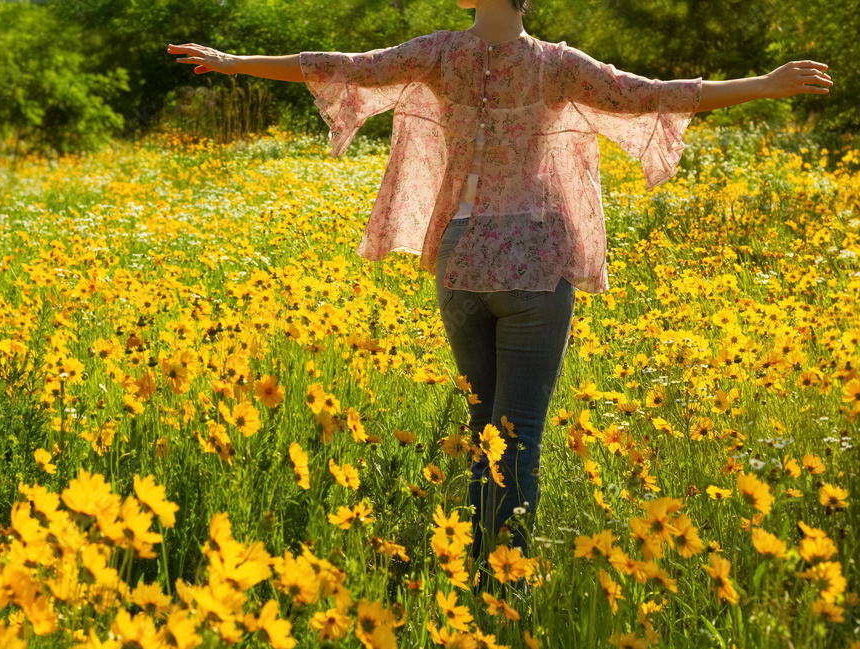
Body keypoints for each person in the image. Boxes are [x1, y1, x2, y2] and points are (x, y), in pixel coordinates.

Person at [168, 0, 832, 591]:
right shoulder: (558, 64)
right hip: (536, 262)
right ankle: (502, 584)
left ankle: (476, 565)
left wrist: (232, 62)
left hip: (460, 259)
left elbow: (340, 64)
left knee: (483, 427)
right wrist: (764, 85)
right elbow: (655, 93)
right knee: (520, 437)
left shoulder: (437, 52)